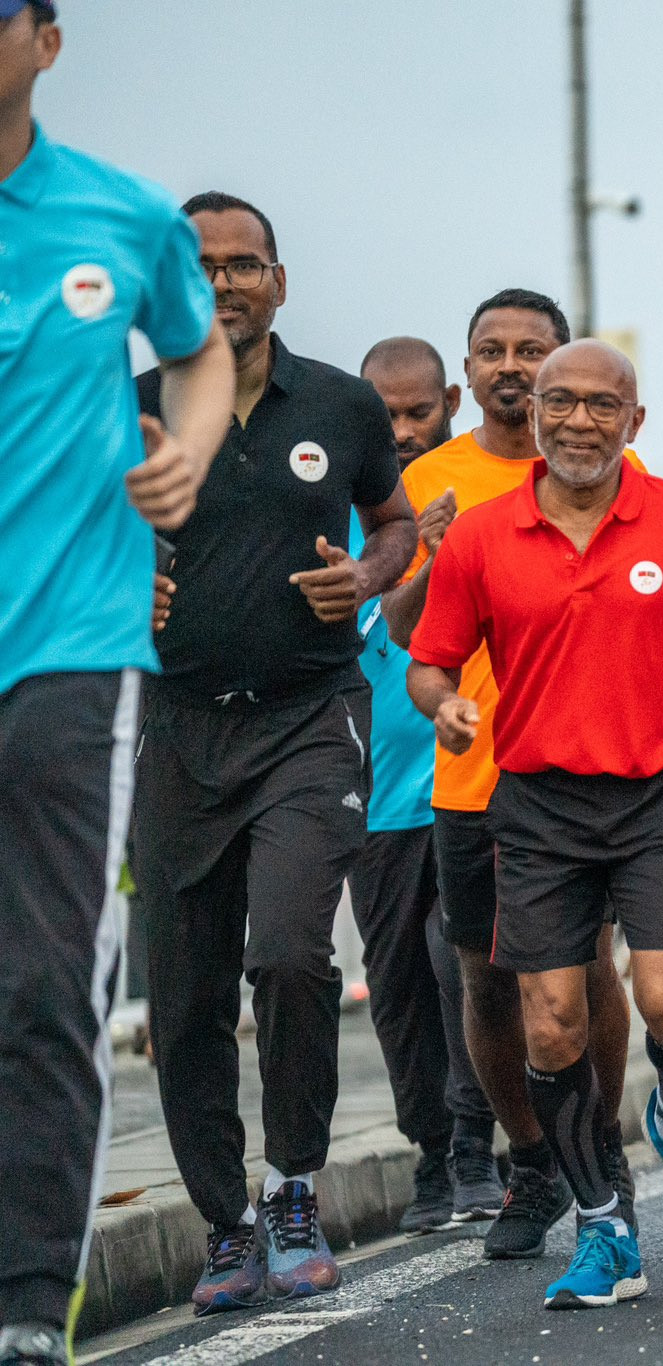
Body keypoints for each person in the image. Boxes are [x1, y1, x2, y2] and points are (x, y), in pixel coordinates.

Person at [407, 340, 663, 1310]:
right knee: (552, 1022)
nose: (578, 421)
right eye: (559, 403)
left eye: (601, 405)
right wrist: (443, 705)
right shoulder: (482, 536)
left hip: (661, 796)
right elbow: (428, 660)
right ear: (534, 416)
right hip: (537, 806)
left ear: (634, 421)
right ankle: (604, 1224)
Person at [132, 191, 419, 1311]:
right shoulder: (128, 405)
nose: (222, 282)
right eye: (198, 264)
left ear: (278, 282)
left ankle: (295, 1185)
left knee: (292, 952)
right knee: (184, 992)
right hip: (178, 725)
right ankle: (226, 1224)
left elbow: (394, 521)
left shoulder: (341, 404)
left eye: (243, 264)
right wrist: (122, 578)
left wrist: (368, 574)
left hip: (309, 715)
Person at [0, 6, 234, 1356]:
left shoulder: (120, 214)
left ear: (46, 40)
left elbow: (196, 349)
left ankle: (30, 1296)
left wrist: (188, 448)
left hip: (70, 641)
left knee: (44, 979)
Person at [382, 290, 637, 1261]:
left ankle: (601, 1153)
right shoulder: (429, 479)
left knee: (585, 968)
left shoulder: (608, 465)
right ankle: (531, 1162)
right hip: (472, 775)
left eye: (531, 349)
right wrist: (431, 553)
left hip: (583, 772)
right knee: (485, 979)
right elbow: (402, 629)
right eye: (491, 350)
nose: (511, 366)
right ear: (468, 370)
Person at [350, 337, 502, 1231]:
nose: (404, 432)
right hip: (372, 790)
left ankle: (477, 1142)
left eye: (419, 412)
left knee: (462, 964)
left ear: (450, 401)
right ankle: (433, 1153)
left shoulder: (470, 493)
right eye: (386, 417)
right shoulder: (345, 512)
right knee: (398, 979)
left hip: (469, 777)